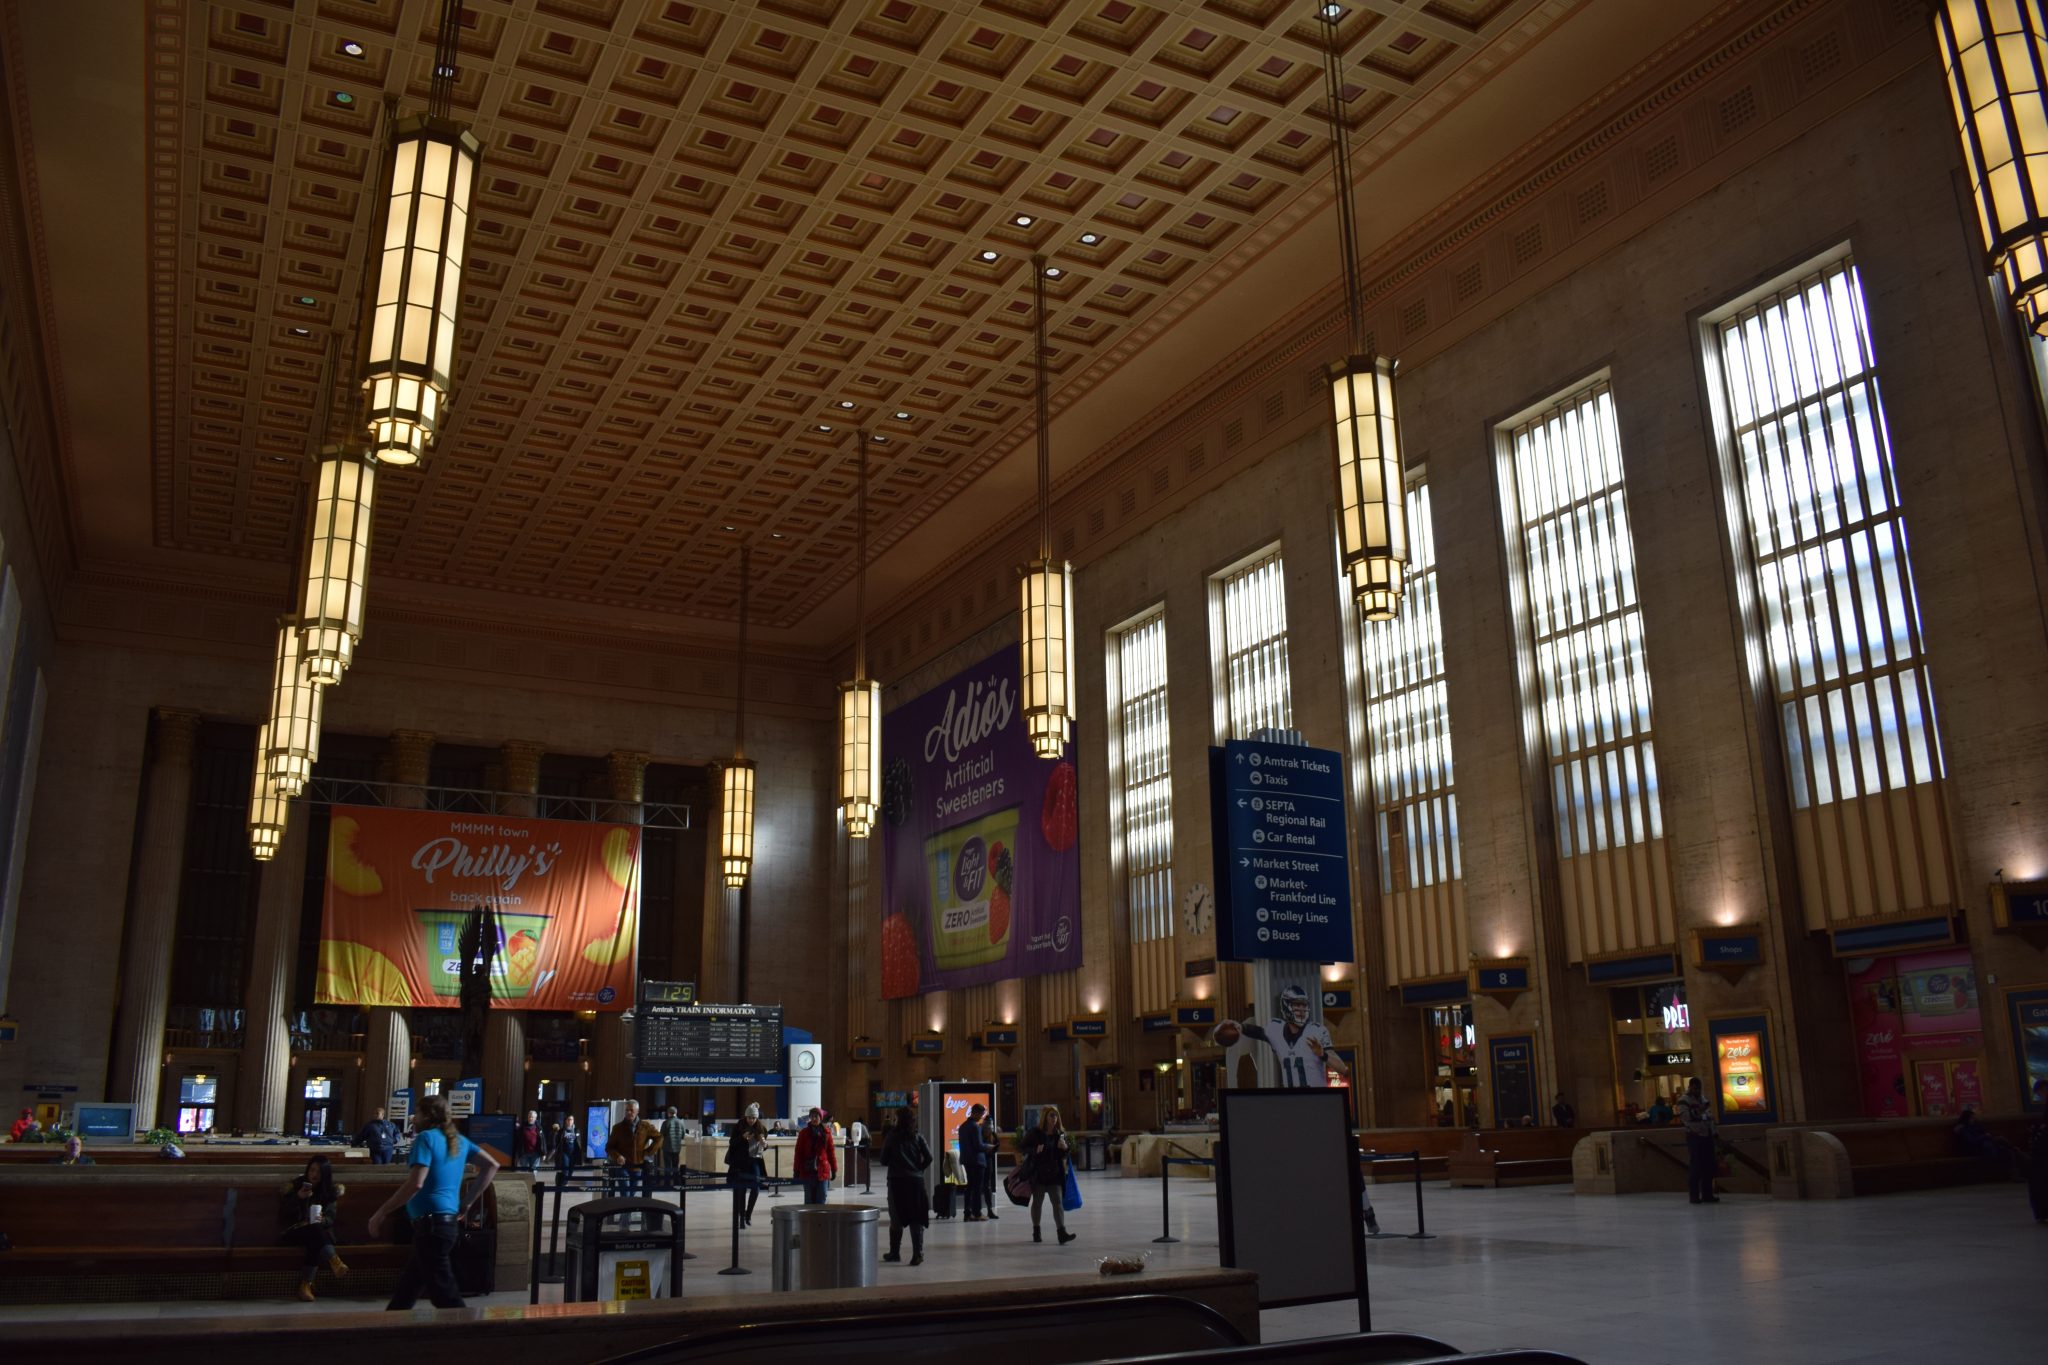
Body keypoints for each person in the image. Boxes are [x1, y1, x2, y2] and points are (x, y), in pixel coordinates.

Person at [368, 1093, 499, 1310]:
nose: (413, 1118)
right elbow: (492, 1165)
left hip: (431, 1227)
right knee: (407, 1290)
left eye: (417, 1113)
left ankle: (469, 1335)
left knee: (445, 1295)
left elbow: (416, 1184)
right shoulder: (458, 1140)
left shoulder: (426, 1138)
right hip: (444, 1225)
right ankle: (390, 1331)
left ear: (428, 1115)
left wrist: (382, 1212)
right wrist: (467, 1201)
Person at [1213, 986, 1349, 1088]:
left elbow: (1343, 1070)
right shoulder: (1276, 1029)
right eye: (1297, 1005)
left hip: (1316, 1099)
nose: (1301, 1009)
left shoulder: (1317, 1031)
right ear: (1286, 1006)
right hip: (1291, 1101)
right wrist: (1240, 1027)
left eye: (1303, 1005)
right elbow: (1258, 1032)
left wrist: (1322, 1054)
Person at [281, 1155, 348, 1301]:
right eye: (312, 1170)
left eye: (318, 1172)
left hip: (316, 1234)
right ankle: (333, 1260)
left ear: (325, 1174)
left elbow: (330, 1218)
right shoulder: (296, 1186)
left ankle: (305, 1286)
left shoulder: (330, 1192)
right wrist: (298, 1197)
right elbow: (284, 1214)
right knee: (315, 1232)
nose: (314, 1175)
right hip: (295, 1231)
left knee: (315, 1236)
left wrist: (322, 1220)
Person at [879, 1112, 932, 1265]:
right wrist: (918, 1170)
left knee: (896, 1217)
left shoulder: (891, 1137)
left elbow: (883, 1160)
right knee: (916, 1217)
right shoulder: (918, 1137)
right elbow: (929, 1158)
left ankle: (895, 1252)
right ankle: (917, 1253)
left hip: (897, 1181)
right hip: (916, 1182)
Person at [1021, 1105, 1077, 1245]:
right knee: (1037, 1203)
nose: (1054, 1118)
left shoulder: (1060, 1133)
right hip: (1039, 1173)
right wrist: (1035, 1150)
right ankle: (1036, 1230)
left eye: (1056, 1115)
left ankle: (1061, 1232)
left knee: (1057, 1202)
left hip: (1055, 1173)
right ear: (1045, 1117)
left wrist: (1065, 1149)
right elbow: (1023, 1147)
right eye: (1051, 1115)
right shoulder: (1035, 1132)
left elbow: (1064, 1154)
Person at [607, 1100, 661, 1200]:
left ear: (637, 1111)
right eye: (627, 1110)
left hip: (637, 1166)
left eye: (631, 1110)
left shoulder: (645, 1126)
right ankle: (625, 1215)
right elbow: (609, 1147)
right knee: (626, 1195)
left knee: (631, 1195)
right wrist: (617, 1156)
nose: (629, 1112)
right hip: (622, 1167)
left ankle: (626, 1214)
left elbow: (659, 1138)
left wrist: (648, 1152)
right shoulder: (617, 1128)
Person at [1676, 1078, 1719, 1205]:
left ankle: (1708, 1194)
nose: (1697, 1090)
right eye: (1695, 1088)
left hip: (1707, 1135)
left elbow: (1710, 1117)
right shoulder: (1684, 1101)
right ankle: (1694, 1196)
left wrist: (1714, 1132)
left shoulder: (1703, 1099)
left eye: (1699, 1088)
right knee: (1696, 1166)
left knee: (1709, 1166)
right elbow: (1686, 1117)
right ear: (1690, 1087)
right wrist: (1700, 1112)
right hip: (1694, 1136)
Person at [726, 1104, 767, 1228]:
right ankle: (742, 1217)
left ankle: (748, 1214)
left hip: (754, 1162)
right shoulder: (739, 1127)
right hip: (740, 1163)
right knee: (741, 1190)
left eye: (754, 1118)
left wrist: (764, 1144)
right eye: (749, 1117)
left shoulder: (761, 1128)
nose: (751, 1120)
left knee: (756, 1188)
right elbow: (732, 1143)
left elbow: (763, 1147)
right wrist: (742, 1138)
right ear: (745, 1116)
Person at [794, 1106, 837, 1204]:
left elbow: (831, 1152)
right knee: (809, 1200)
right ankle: (809, 1219)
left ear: (820, 1118)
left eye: (816, 1116)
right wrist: (796, 1170)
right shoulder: (803, 1133)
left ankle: (820, 1219)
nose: (813, 1119)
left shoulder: (827, 1133)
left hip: (823, 1170)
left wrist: (834, 1169)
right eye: (811, 1116)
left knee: (822, 1198)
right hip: (808, 1170)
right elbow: (798, 1153)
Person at [958, 1103, 990, 1222]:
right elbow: (978, 1146)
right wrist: (988, 1147)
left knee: (969, 1186)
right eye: (981, 1114)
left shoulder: (963, 1126)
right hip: (977, 1161)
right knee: (977, 1188)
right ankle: (977, 1213)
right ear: (975, 1113)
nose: (981, 1117)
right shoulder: (975, 1127)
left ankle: (967, 1213)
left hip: (966, 1160)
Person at [980, 1111, 1001, 1219]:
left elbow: (997, 1145)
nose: (989, 1130)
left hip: (988, 1162)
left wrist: (991, 1152)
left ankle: (989, 1209)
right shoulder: (980, 1132)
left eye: (990, 1127)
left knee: (987, 1186)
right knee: (980, 1186)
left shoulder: (992, 1135)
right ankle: (979, 1210)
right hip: (982, 1162)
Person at [661, 1105, 687, 1182]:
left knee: (668, 1166)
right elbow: (683, 1134)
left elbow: (661, 1134)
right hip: (677, 1147)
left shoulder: (666, 1122)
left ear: (669, 1113)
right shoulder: (681, 1122)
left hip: (667, 1147)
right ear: (676, 1113)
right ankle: (676, 1182)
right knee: (675, 1165)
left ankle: (667, 1183)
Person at [556, 1113, 581, 1177]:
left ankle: (567, 1179)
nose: (570, 1121)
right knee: (565, 1168)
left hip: (573, 1152)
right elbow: (557, 1141)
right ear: (566, 1121)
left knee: (571, 1169)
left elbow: (579, 1141)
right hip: (565, 1152)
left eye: (571, 1120)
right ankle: (564, 1183)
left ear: (573, 1121)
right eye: (568, 1120)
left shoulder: (576, 1130)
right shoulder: (562, 1131)